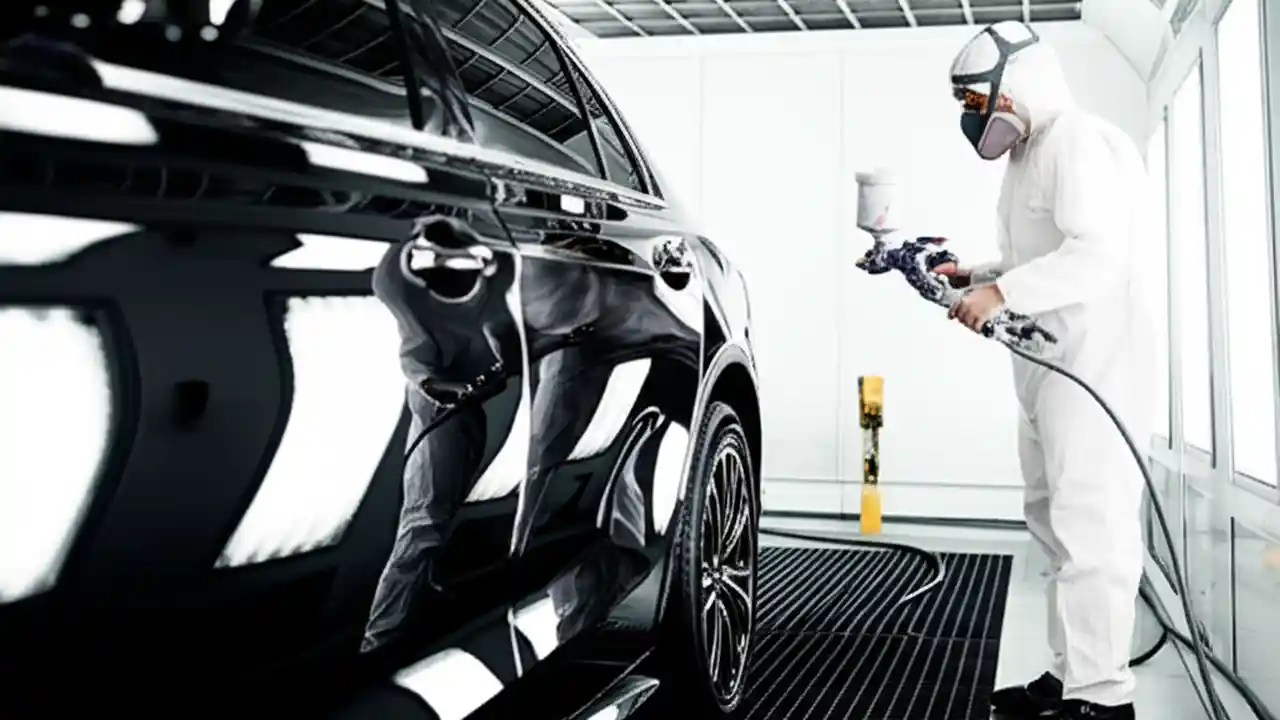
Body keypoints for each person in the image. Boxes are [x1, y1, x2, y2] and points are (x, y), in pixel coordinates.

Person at [936, 20, 1155, 720]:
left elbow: (1098, 256)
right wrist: (976, 272)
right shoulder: (1028, 155)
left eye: (978, 103)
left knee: (1092, 531)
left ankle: (1105, 697)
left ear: (1017, 86)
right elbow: (1038, 255)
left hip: (1093, 372)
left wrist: (1001, 294)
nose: (975, 120)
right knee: (1053, 524)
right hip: (1044, 367)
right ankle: (1071, 679)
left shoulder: (1079, 142)